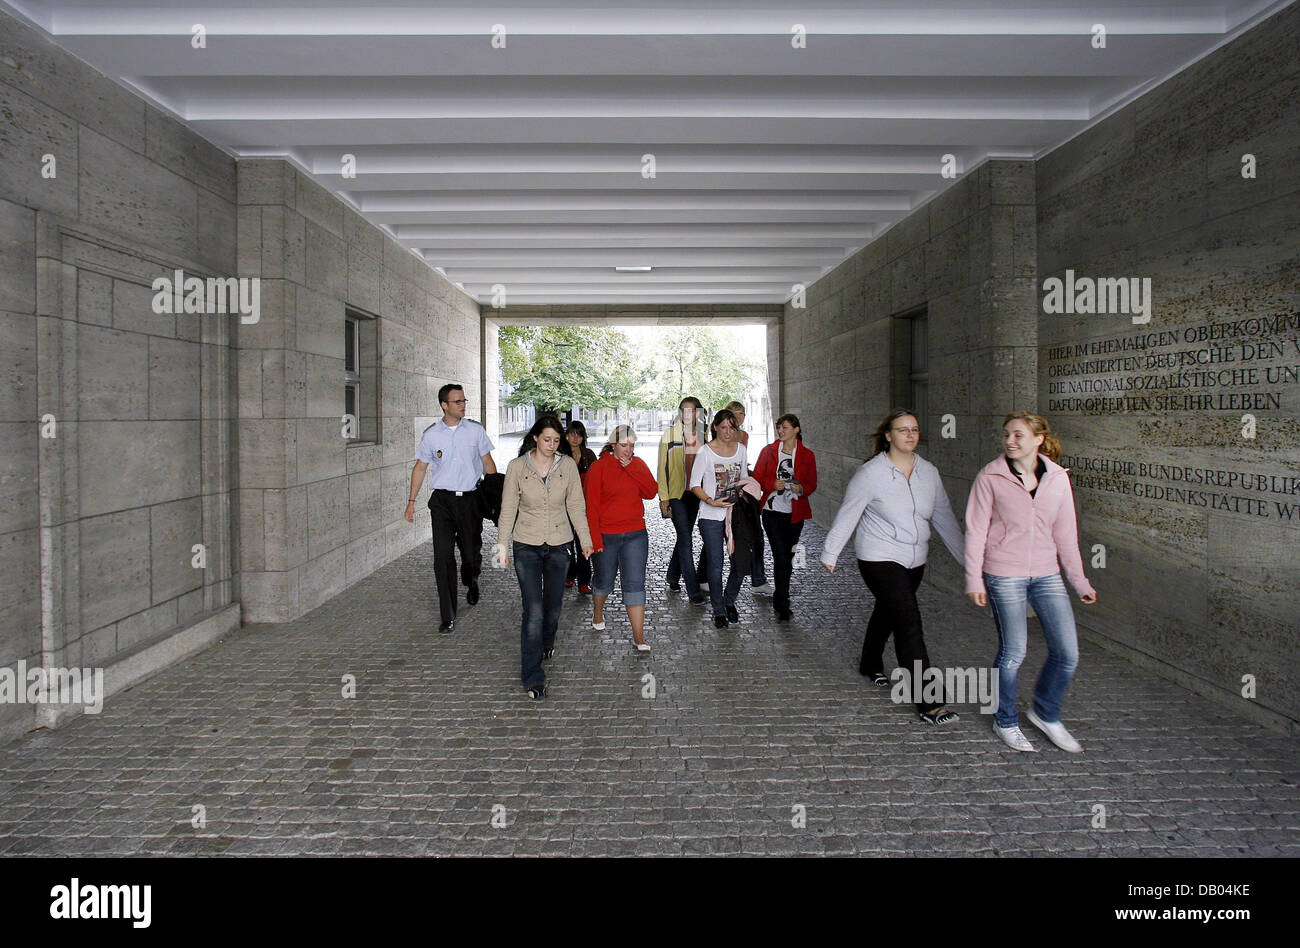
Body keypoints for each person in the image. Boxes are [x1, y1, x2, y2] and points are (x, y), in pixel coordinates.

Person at [820, 410, 965, 726]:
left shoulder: (929, 472)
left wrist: (969, 561)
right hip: (879, 557)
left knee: (889, 612)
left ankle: (869, 663)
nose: (910, 435)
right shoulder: (871, 473)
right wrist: (830, 551)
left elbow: (944, 519)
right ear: (888, 435)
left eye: (915, 429)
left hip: (915, 559)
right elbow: (849, 512)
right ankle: (930, 703)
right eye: (903, 430)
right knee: (908, 621)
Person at [965, 412, 1098, 753]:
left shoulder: (1057, 479)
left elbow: (1066, 534)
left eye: (1018, 435)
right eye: (1007, 434)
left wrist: (1079, 580)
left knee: (1067, 652)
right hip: (1003, 573)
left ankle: (1045, 712)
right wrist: (974, 578)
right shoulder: (990, 477)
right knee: (1013, 652)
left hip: (1046, 574)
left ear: (1038, 440)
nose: (1010, 440)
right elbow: (976, 530)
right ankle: (1005, 720)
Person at [496, 415, 593, 701]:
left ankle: (547, 641)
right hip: (526, 543)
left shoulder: (567, 467)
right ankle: (532, 675)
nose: (552, 445)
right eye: (547, 439)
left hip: (560, 545)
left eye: (556, 440)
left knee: (552, 608)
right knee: (533, 609)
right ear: (536, 437)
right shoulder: (517, 467)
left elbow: (576, 506)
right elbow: (508, 508)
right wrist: (502, 546)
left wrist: (585, 541)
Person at [405, 384, 497, 634]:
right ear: (444, 405)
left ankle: (472, 579)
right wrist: (411, 502)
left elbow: (488, 464)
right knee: (442, 558)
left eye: (463, 400)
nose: (462, 405)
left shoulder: (476, 431)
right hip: (442, 502)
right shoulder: (432, 435)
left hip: (469, 500)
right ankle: (448, 614)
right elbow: (421, 468)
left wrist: (496, 499)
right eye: (457, 402)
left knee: (470, 553)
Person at [585, 425, 659, 651]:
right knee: (604, 581)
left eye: (632, 446)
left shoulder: (637, 464)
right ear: (613, 445)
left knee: (635, 583)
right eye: (624, 445)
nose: (628, 450)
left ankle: (639, 636)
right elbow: (591, 506)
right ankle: (598, 613)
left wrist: (632, 469)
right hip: (607, 535)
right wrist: (594, 540)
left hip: (635, 534)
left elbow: (650, 491)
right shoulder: (598, 468)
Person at [753, 413, 817, 621]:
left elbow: (812, 483)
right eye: (779, 427)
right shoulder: (769, 451)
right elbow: (757, 478)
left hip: (795, 514)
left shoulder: (807, 455)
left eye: (785, 427)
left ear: (796, 430)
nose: (781, 431)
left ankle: (781, 595)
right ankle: (782, 602)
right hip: (772, 512)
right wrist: (772, 484)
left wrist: (801, 488)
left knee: (788, 557)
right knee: (780, 555)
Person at [689, 408, 749, 629]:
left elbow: (744, 477)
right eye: (723, 427)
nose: (727, 432)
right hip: (711, 516)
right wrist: (710, 500)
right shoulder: (706, 452)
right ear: (715, 427)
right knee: (716, 565)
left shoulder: (740, 450)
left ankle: (729, 599)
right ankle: (718, 609)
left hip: (735, 516)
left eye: (732, 428)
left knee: (740, 562)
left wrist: (742, 490)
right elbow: (694, 484)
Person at [657, 397, 710, 604]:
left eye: (693, 411)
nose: (689, 415)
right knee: (686, 540)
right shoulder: (669, 436)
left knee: (683, 537)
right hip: (676, 494)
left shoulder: (703, 436)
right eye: (684, 411)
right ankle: (693, 590)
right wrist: (663, 497)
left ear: (698, 413)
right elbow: (662, 468)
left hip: (694, 495)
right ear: (680, 413)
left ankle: (672, 575)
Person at [724, 400, 773, 595]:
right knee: (729, 536)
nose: (739, 418)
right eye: (735, 414)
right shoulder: (723, 433)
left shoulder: (744, 435)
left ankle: (758, 579)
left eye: (742, 414)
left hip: (743, 490)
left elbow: (742, 462)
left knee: (752, 535)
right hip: (727, 491)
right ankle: (707, 579)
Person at [563, 421, 599, 594]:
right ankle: (569, 574)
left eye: (579, 434)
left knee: (583, 543)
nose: (575, 437)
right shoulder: (560, 455)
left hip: (584, 507)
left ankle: (584, 580)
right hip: (562, 506)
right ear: (566, 435)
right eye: (572, 433)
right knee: (566, 543)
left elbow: (597, 481)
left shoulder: (589, 455)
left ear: (583, 437)